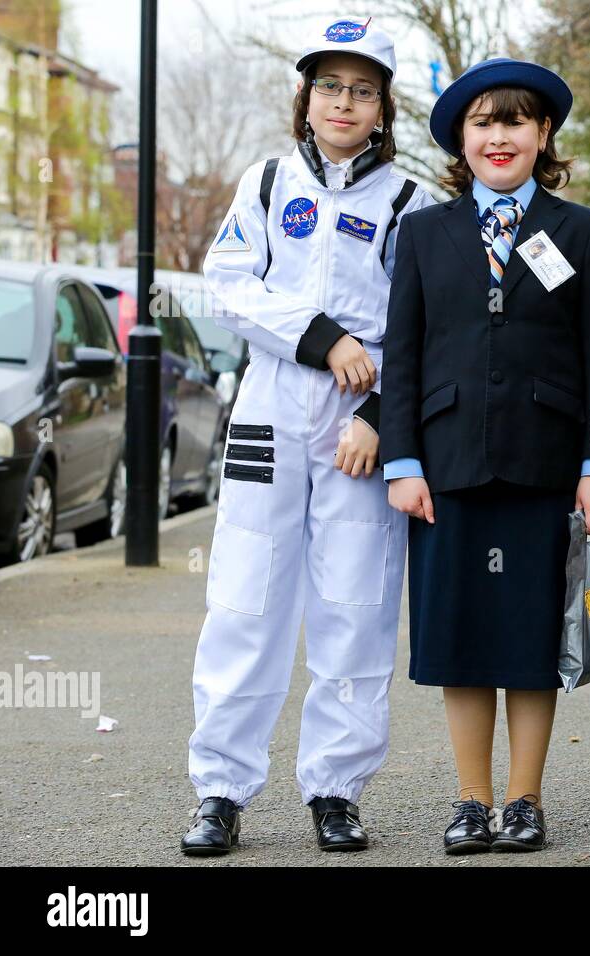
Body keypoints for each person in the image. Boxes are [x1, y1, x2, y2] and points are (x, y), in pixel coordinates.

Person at [182, 15, 431, 856]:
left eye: (363, 90)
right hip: (271, 407)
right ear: (307, 95)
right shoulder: (263, 182)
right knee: (245, 600)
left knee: (354, 608)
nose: (344, 102)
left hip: (358, 427)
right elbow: (225, 284)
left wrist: (376, 414)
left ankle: (335, 789)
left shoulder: (409, 202)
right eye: (330, 85)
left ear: (383, 106)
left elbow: (422, 327)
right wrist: (321, 336)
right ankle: (220, 789)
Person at [380, 58, 590, 854]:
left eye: (515, 121)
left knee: (526, 639)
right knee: (459, 639)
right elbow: (404, 357)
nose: (500, 135)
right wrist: (402, 461)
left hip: (543, 463)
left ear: (542, 134)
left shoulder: (580, 231)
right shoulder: (423, 232)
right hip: (446, 467)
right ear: (462, 139)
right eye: (483, 123)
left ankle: (524, 800)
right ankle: (470, 801)